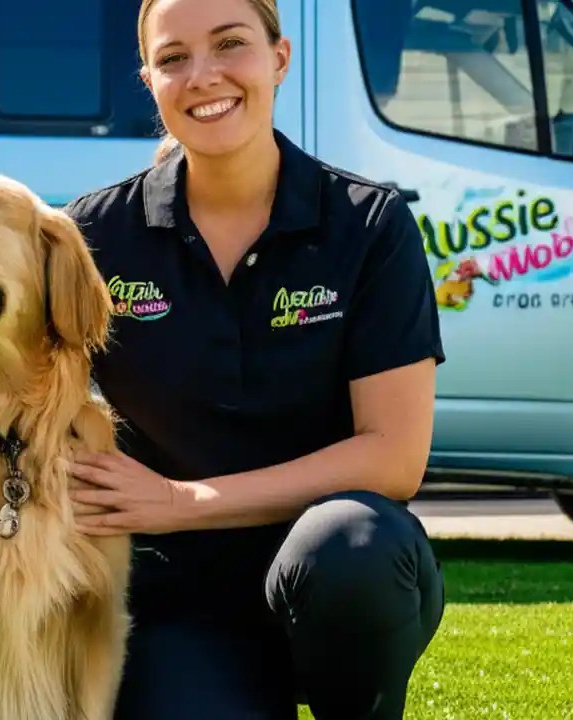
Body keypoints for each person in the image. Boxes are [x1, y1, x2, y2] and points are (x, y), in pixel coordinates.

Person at [62, 0, 446, 718]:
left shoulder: (369, 224)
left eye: (229, 44)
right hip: (177, 596)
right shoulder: (93, 236)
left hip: (336, 572)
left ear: (280, 58)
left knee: (350, 546)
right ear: (149, 79)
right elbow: (24, 392)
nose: (203, 76)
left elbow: (395, 459)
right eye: (173, 58)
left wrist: (181, 501)